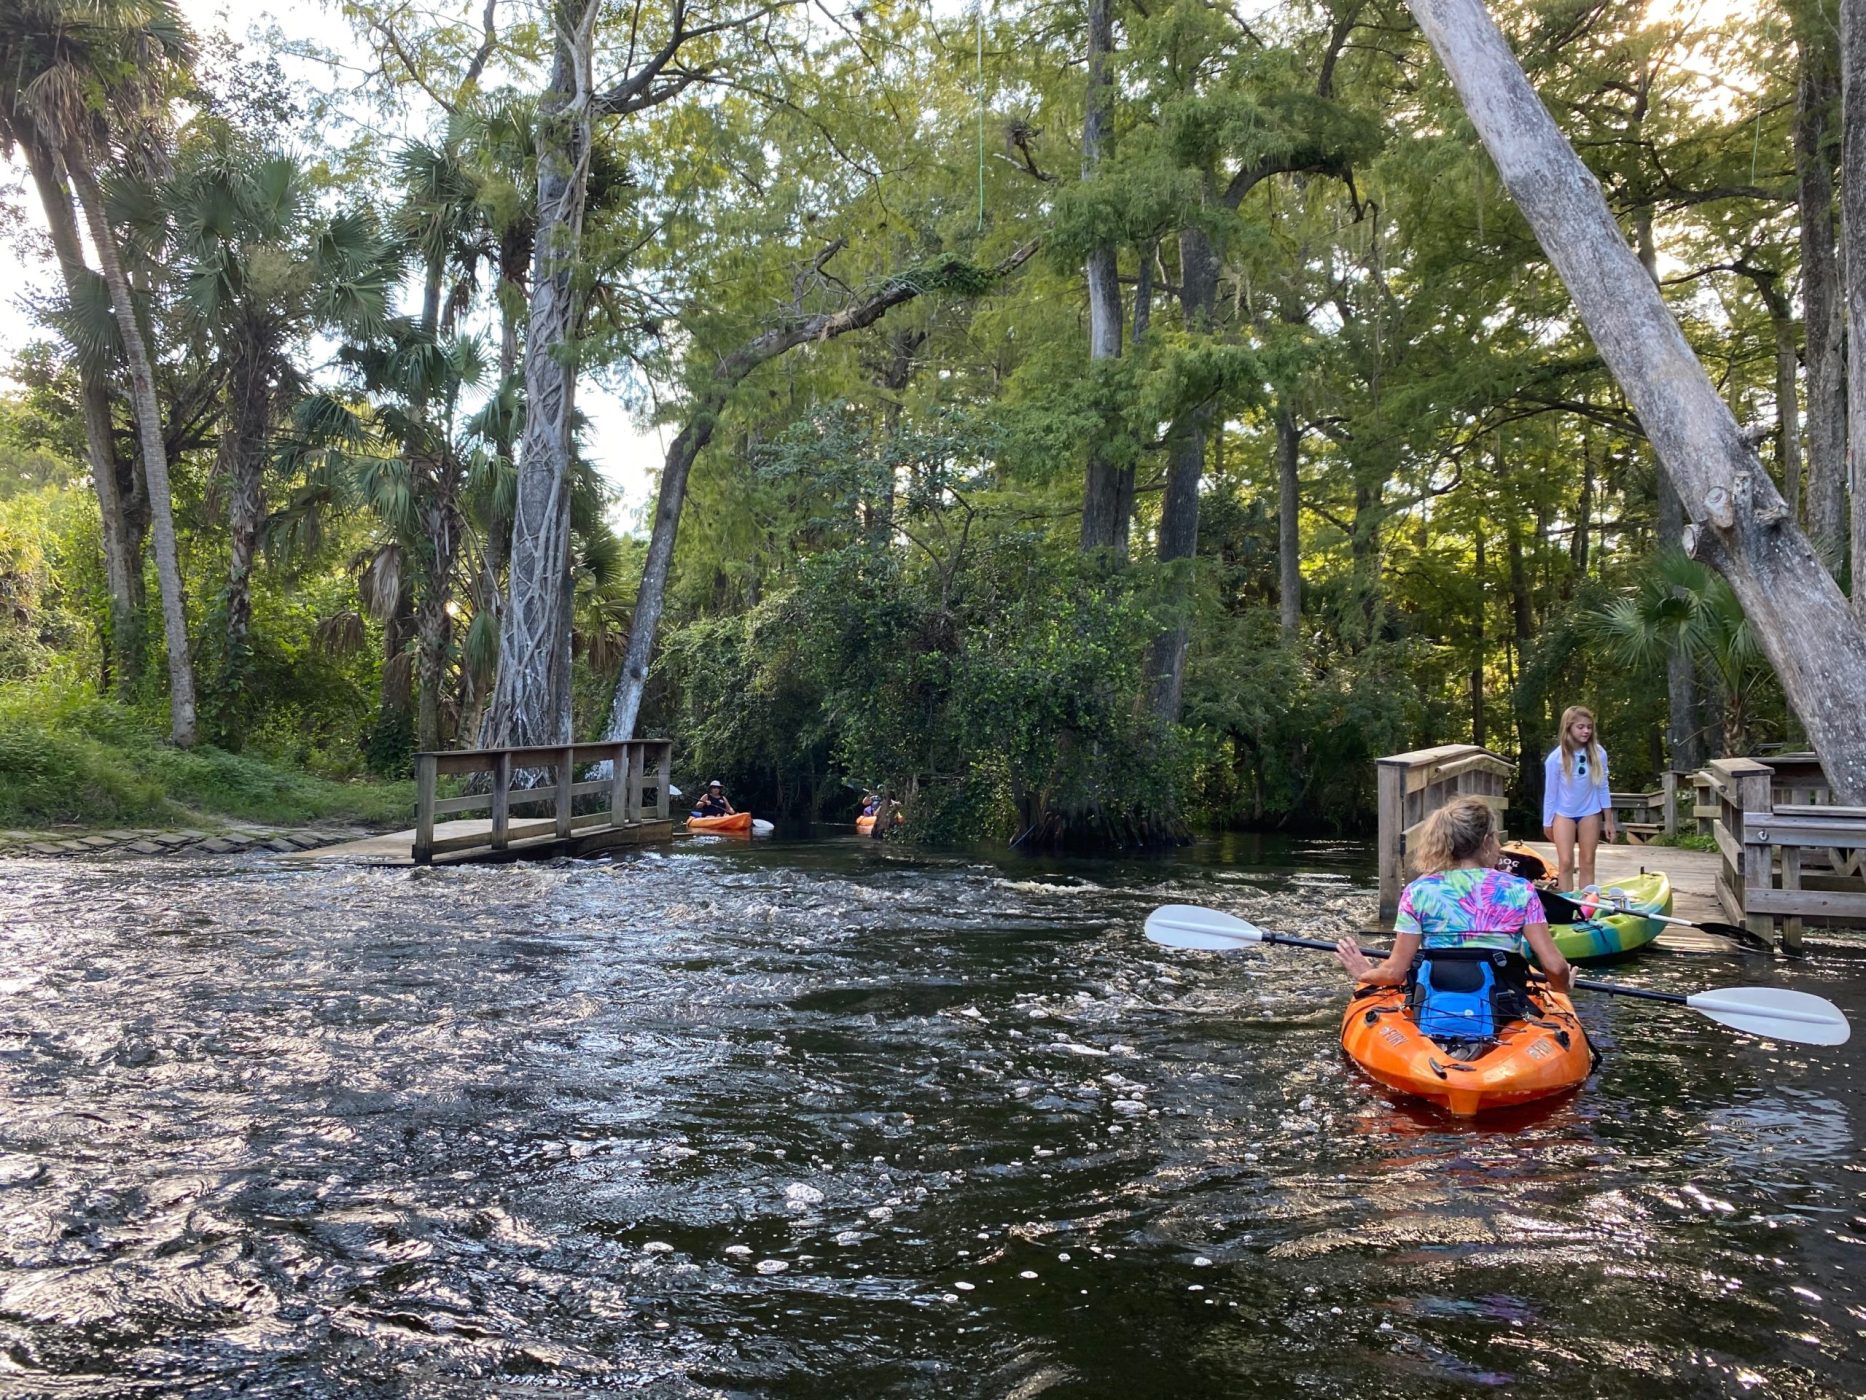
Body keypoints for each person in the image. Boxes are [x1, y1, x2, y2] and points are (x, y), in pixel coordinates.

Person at [1334, 797, 1571, 1043]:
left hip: (1433, 1007)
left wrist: (1365, 973)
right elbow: (1555, 967)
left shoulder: (1418, 891)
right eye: (1495, 837)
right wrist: (1559, 988)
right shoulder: (1520, 890)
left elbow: (1394, 973)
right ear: (1486, 841)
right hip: (1502, 1010)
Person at [1542, 704, 1617, 892]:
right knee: (1566, 861)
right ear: (1569, 727)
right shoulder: (1555, 758)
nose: (1586, 731)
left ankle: (1587, 904)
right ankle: (1567, 902)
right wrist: (1547, 823)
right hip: (1563, 813)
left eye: (1589, 727)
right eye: (1581, 727)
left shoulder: (1598, 753)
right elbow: (1550, 794)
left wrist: (1609, 820)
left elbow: (1603, 786)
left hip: (1590, 812)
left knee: (1588, 860)